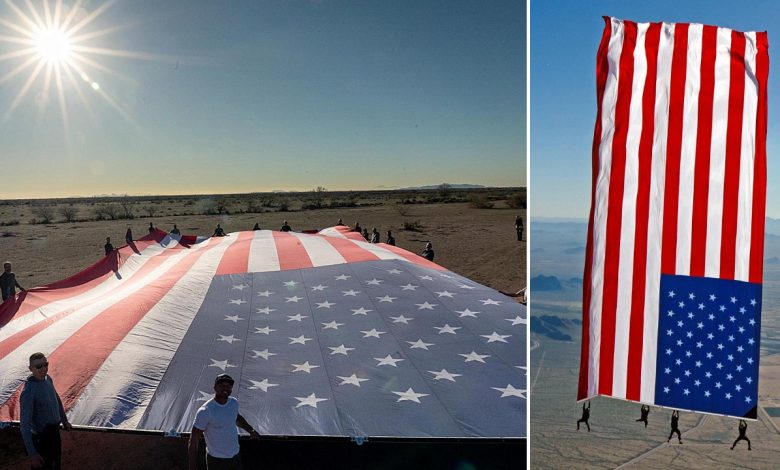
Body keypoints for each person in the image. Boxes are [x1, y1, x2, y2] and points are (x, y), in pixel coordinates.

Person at [188, 374, 260, 470]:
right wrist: (192, 466)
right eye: (221, 386)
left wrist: (251, 430)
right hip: (217, 460)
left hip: (235, 456)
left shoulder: (233, 403)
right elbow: (194, 440)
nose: (225, 388)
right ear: (215, 388)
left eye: (228, 386)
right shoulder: (205, 411)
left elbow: (237, 418)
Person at [20, 352, 73, 469]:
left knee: (56, 465)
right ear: (30, 369)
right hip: (41, 439)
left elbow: (56, 399)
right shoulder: (28, 391)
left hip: (54, 434)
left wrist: (64, 420)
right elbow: (24, 425)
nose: (43, 369)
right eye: (39, 366)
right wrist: (32, 453)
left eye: (45, 364)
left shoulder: (48, 379)